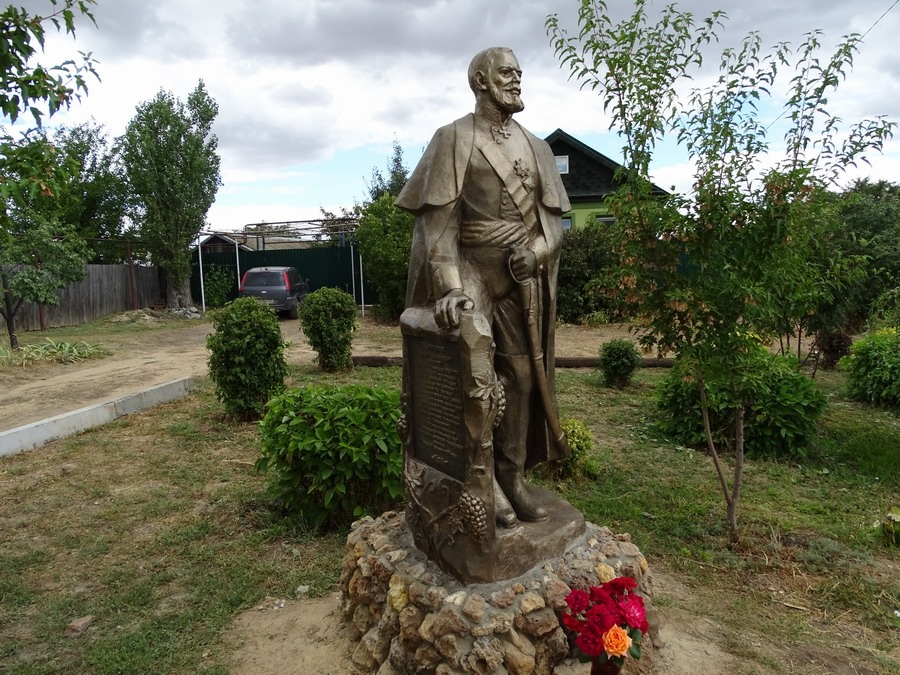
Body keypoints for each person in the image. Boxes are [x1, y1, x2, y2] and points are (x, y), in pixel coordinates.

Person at [396, 47, 571, 528]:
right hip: (469, 268)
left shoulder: (537, 148)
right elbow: (439, 229)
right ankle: (480, 480)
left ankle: (511, 477)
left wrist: (535, 253)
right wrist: (450, 288)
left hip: (520, 276)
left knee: (521, 379)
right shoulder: (452, 139)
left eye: (520, 73)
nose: (517, 81)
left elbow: (554, 228)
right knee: (476, 373)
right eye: (506, 73)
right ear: (480, 80)